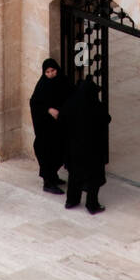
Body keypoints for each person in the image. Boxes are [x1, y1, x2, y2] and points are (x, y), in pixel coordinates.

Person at [59, 74, 110, 214]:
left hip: (75, 149)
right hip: (93, 150)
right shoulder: (95, 106)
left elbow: (62, 119)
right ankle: (92, 205)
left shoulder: (71, 103)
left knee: (74, 175)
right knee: (93, 178)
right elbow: (106, 119)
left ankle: (72, 200)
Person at [29, 57, 71, 193]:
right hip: (46, 128)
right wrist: (48, 109)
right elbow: (35, 103)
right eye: (47, 72)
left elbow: (69, 96)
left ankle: (53, 176)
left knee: (61, 150)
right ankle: (48, 182)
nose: (51, 74)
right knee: (48, 151)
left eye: (53, 71)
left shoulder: (63, 82)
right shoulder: (42, 85)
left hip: (60, 125)